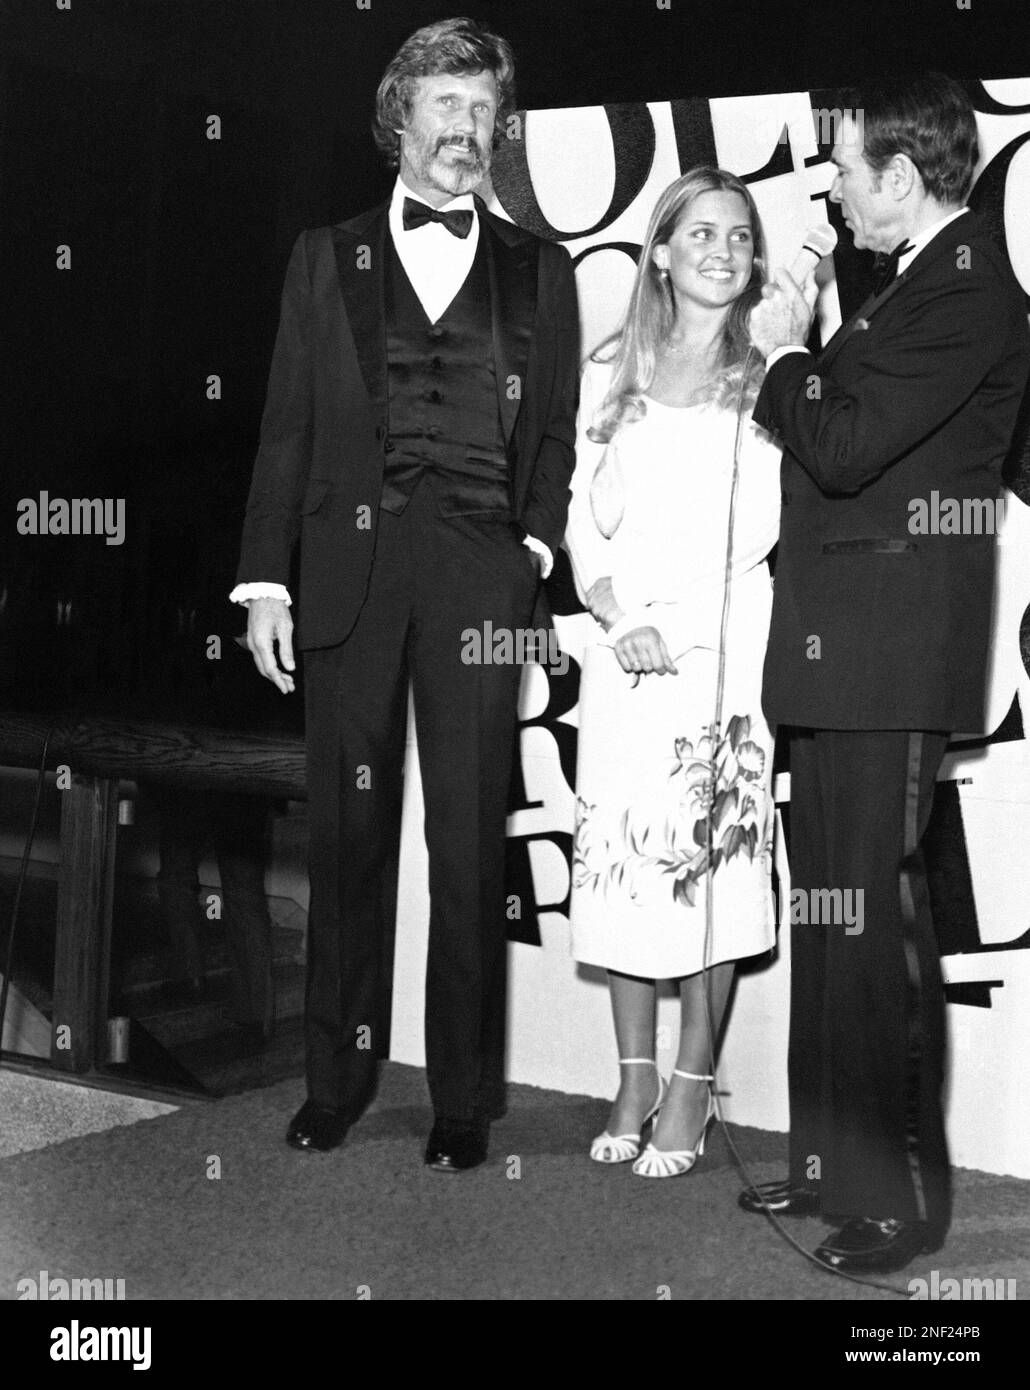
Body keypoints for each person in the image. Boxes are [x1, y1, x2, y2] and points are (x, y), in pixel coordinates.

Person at [231, 18, 579, 1171]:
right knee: (347, 838)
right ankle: (334, 1080)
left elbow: (556, 436)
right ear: (400, 120)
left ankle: (464, 1104)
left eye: (483, 113)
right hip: (346, 576)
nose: (466, 134)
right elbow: (284, 427)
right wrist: (264, 579)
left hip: (481, 578)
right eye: (447, 110)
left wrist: (529, 553)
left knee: (471, 844)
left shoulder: (544, 268)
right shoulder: (325, 256)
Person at [738, 74, 1030, 1271]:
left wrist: (783, 351)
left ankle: (901, 1205)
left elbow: (845, 446)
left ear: (902, 176)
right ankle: (826, 1165)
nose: (835, 191)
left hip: (887, 653)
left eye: (846, 171)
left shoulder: (965, 295)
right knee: (832, 920)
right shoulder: (907, 289)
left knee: (874, 926)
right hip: (838, 646)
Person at [566, 168, 781, 1178]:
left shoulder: (774, 372)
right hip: (623, 658)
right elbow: (576, 516)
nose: (719, 249)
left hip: (719, 655)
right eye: (698, 232)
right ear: (657, 250)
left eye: (738, 234)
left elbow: (766, 527)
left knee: (709, 871)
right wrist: (617, 611)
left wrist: (672, 620)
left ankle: (694, 1080)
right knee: (619, 862)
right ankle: (633, 1073)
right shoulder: (614, 369)